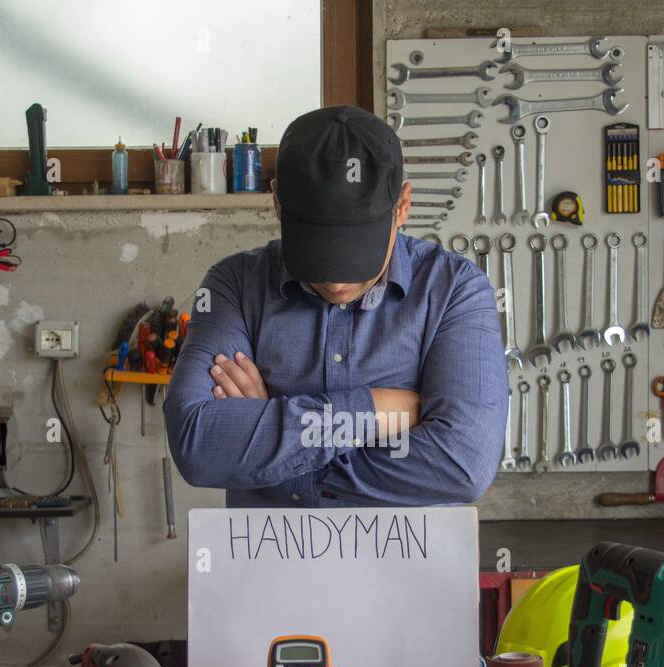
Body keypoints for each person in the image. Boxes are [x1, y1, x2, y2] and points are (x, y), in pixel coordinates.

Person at [163, 105, 507, 507]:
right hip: (269, 563)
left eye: (355, 255)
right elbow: (197, 446)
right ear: (276, 202)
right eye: (316, 254)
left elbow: (463, 465)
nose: (336, 280)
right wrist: (375, 411)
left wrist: (275, 437)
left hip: (408, 567)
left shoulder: (456, 291)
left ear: (402, 207)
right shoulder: (234, 285)